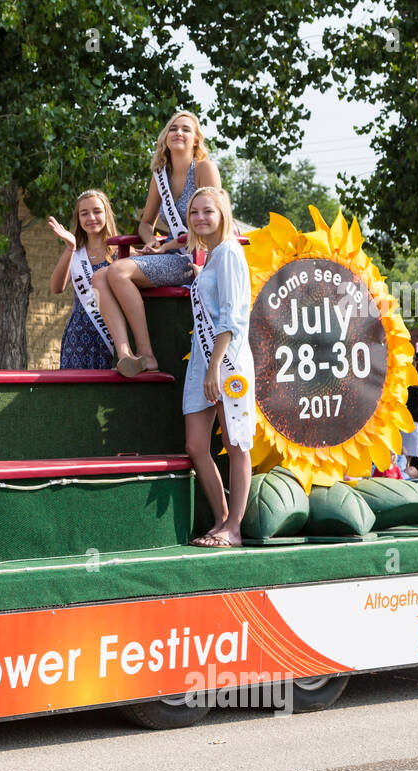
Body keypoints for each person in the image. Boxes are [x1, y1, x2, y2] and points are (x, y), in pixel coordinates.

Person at [93, 111, 221, 377]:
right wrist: (152, 241)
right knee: (100, 276)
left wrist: (166, 245)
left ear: (196, 140)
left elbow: (212, 222)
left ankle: (147, 354)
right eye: (173, 128)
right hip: (170, 255)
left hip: (195, 259)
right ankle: (126, 355)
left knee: (117, 270)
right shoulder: (159, 175)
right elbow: (145, 223)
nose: (178, 133)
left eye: (186, 129)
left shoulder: (204, 169)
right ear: (165, 137)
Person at [180, 187, 253, 548]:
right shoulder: (213, 256)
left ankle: (234, 529)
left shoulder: (229, 253)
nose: (200, 218)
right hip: (202, 361)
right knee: (196, 445)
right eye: (194, 212)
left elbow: (231, 317)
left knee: (235, 443)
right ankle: (221, 518)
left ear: (222, 213)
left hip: (226, 362)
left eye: (207, 211)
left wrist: (215, 368)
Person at [48, 189, 120, 370]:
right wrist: (70, 248)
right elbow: (56, 288)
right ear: (78, 219)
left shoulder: (122, 253)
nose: (91, 217)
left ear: (106, 214)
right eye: (84, 213)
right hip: (78, 335)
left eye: (97, 211)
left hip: (110, 336)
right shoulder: (75, 253)